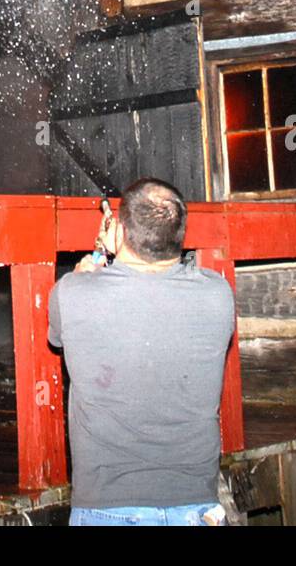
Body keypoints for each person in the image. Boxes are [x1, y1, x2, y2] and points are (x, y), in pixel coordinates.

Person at [48, 177, 235, 526]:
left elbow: (58, 338)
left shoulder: (72, 293)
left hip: (106, 506)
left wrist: (99, 260)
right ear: (180, 232)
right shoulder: (218, 295)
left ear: (120, 230)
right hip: (196, 506)